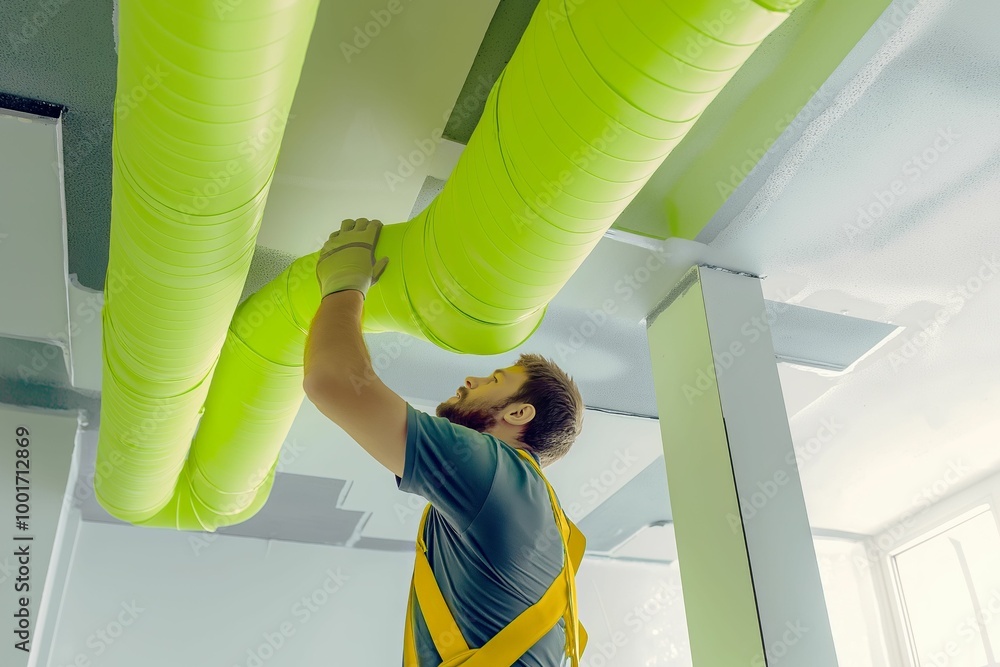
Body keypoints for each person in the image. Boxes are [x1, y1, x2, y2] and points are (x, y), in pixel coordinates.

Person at [303, 218, 588, 666]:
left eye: (494, 379)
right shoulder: (507, 485)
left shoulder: (497, 474)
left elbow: (334, 381)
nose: (470, 379)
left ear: (518, 413)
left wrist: (343, 282)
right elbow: (334, 382)